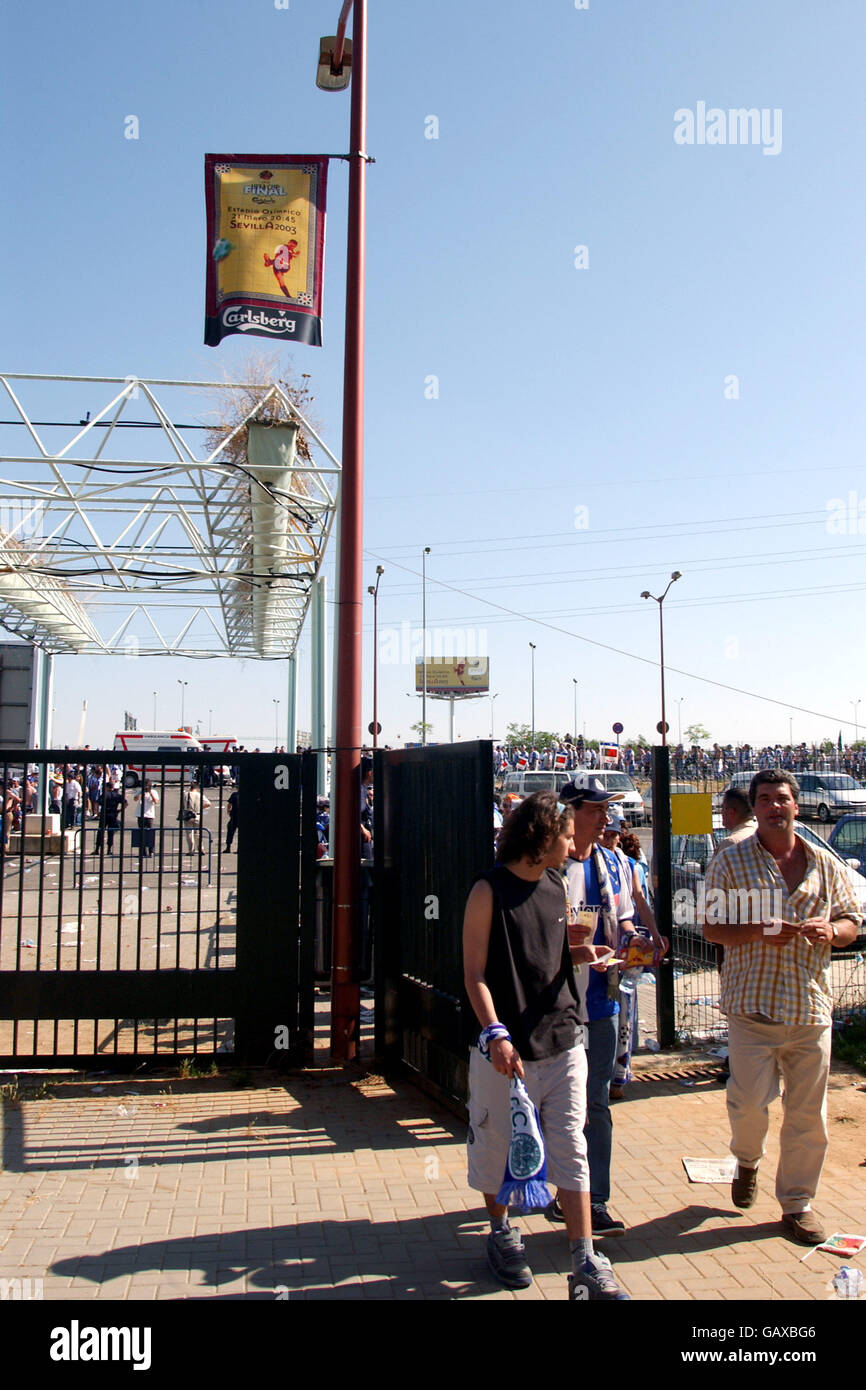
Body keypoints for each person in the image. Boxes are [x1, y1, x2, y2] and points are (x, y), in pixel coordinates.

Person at [462, 789, 629, 1300]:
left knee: (571, 1146)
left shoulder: (557, 885)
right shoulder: (488, 891)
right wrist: (495, 1033)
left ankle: (585, 1258)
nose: (574, 841)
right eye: (566, 833)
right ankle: (502, 1232)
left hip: (564, 1039)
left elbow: (552, 954)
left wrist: (584, 954)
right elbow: (474, 974)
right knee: (497, 1146)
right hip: (506, 1051)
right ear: (541, 837)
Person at [702, 770, 861, 1244]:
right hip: (753, 1008)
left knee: (808, 1115)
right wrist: (757, 930)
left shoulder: (825, 864)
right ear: (755, 808)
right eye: (765, 799)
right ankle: (747, 1161)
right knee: (749, 1103)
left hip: (810, 1007)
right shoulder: (730, 862)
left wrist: (833, 933)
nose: (775, 806)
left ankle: (797, 1204)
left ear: (797, 806)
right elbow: (711, 928)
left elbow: (852, 918)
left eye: (783, 798)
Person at [559, 774, 636, 1238]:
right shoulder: (546, 866)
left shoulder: (611, 863)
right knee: (556, 1107)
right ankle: (556, 1191)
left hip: (600, 1002)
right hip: (553, 1006)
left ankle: (597, 1200)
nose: (605, 816)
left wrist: (632, 940)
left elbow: (623, 917)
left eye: (606, 808)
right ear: (570, 813)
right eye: (596, 809)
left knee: (597, 1105)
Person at [180, 783, 211, 855]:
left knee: (189, 833)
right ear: (197, 788)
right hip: (197, 815)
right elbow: (208, 803)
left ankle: (191, 850)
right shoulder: (199, 795)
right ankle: (201, 848)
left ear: (191, 788)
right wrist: (200, 807)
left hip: (188, 815)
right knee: (197, 833)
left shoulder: (185, 794)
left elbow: (182, 805)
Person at [134, 780, 159, 858]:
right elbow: (135, 799)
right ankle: (142, 852)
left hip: (149, 815)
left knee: (149, 834)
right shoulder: (140, 791)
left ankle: (151, 851)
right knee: (141, 833)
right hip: (140, 815)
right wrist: (141, 792)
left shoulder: (154, 792)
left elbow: (156, 801)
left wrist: (150, 792)